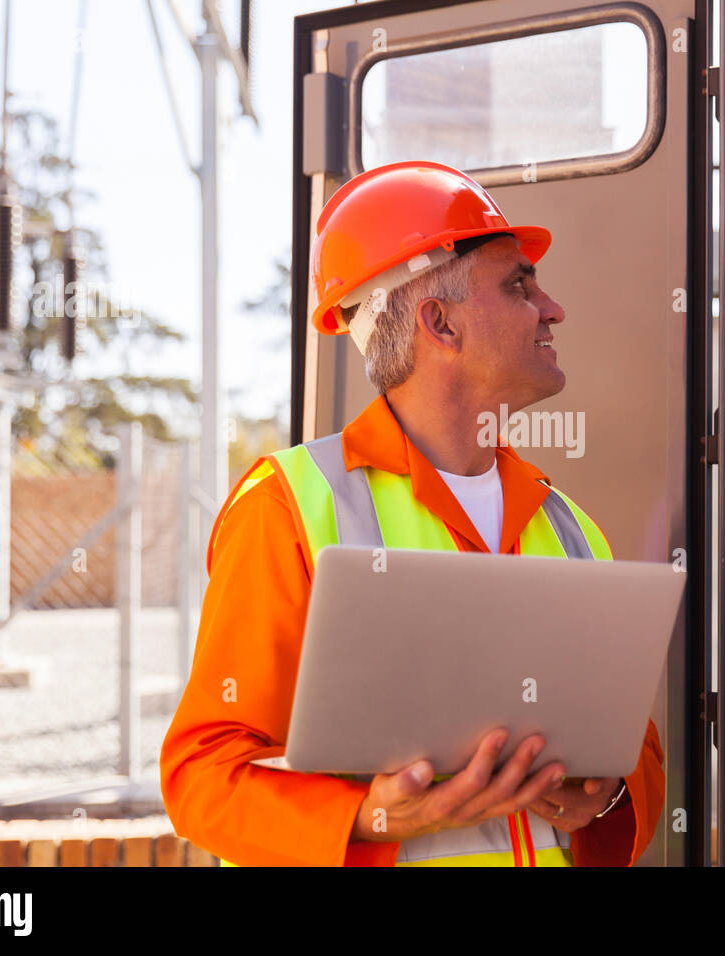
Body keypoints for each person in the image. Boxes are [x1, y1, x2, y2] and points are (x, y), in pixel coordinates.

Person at [160, 160, 665, 866]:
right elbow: (204, 780)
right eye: (519, 285)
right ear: (439, 323)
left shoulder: (568, 523)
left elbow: (632, 747)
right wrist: (367, 818)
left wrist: (609, 795)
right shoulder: (286, 507)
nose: (552, 309)